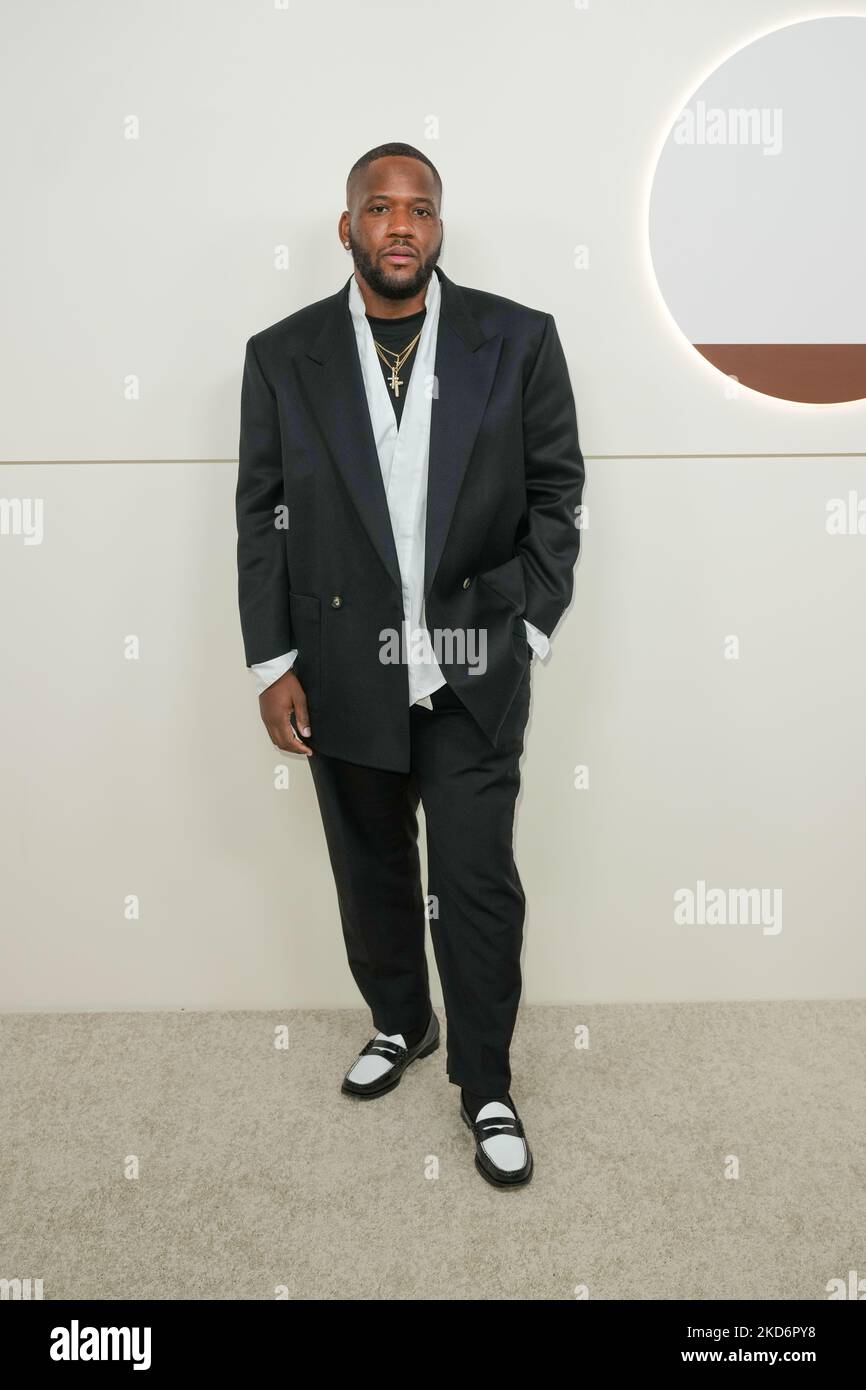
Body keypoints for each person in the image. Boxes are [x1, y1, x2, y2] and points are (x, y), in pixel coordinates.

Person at [236, 142, 585, 1187]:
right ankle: (400, 1020)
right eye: (378, 208)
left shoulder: (516, 341)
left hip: (470, 661)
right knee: (369, 867)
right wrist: (272, 662)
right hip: (339, 664)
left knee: (473, 882)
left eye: (419, 209)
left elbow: (556, 495)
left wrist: (519, 631)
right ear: (346, 227)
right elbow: (260, 518)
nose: (400, 225)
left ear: (438, 228)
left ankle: (485, 1083)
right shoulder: (279, 354)